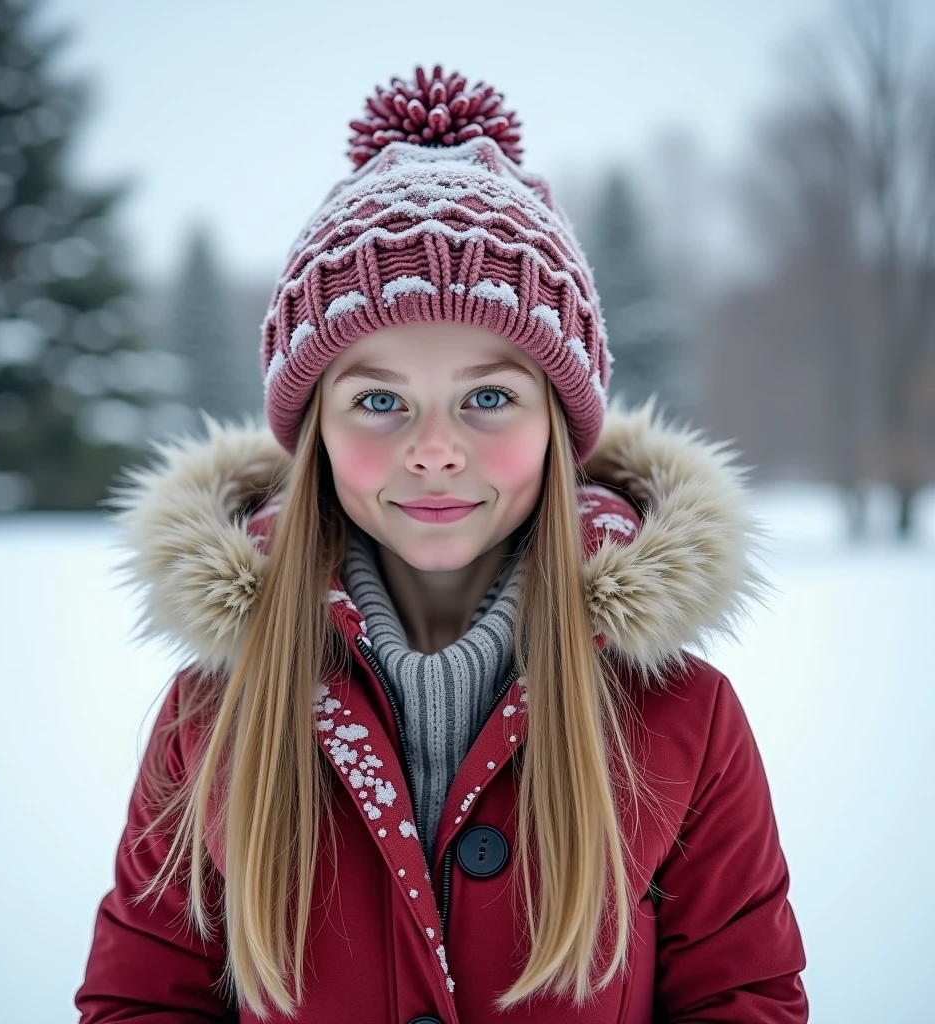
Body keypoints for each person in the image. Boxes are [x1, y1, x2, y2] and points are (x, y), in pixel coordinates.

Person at [75, 66, 808, 1023]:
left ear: (559, 425)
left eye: (489, 398)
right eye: (379, 400)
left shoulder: (683, 721)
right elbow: (143, 1002)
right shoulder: (212, 720)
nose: (432, 450)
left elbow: (742, 1000)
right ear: (314, 435)